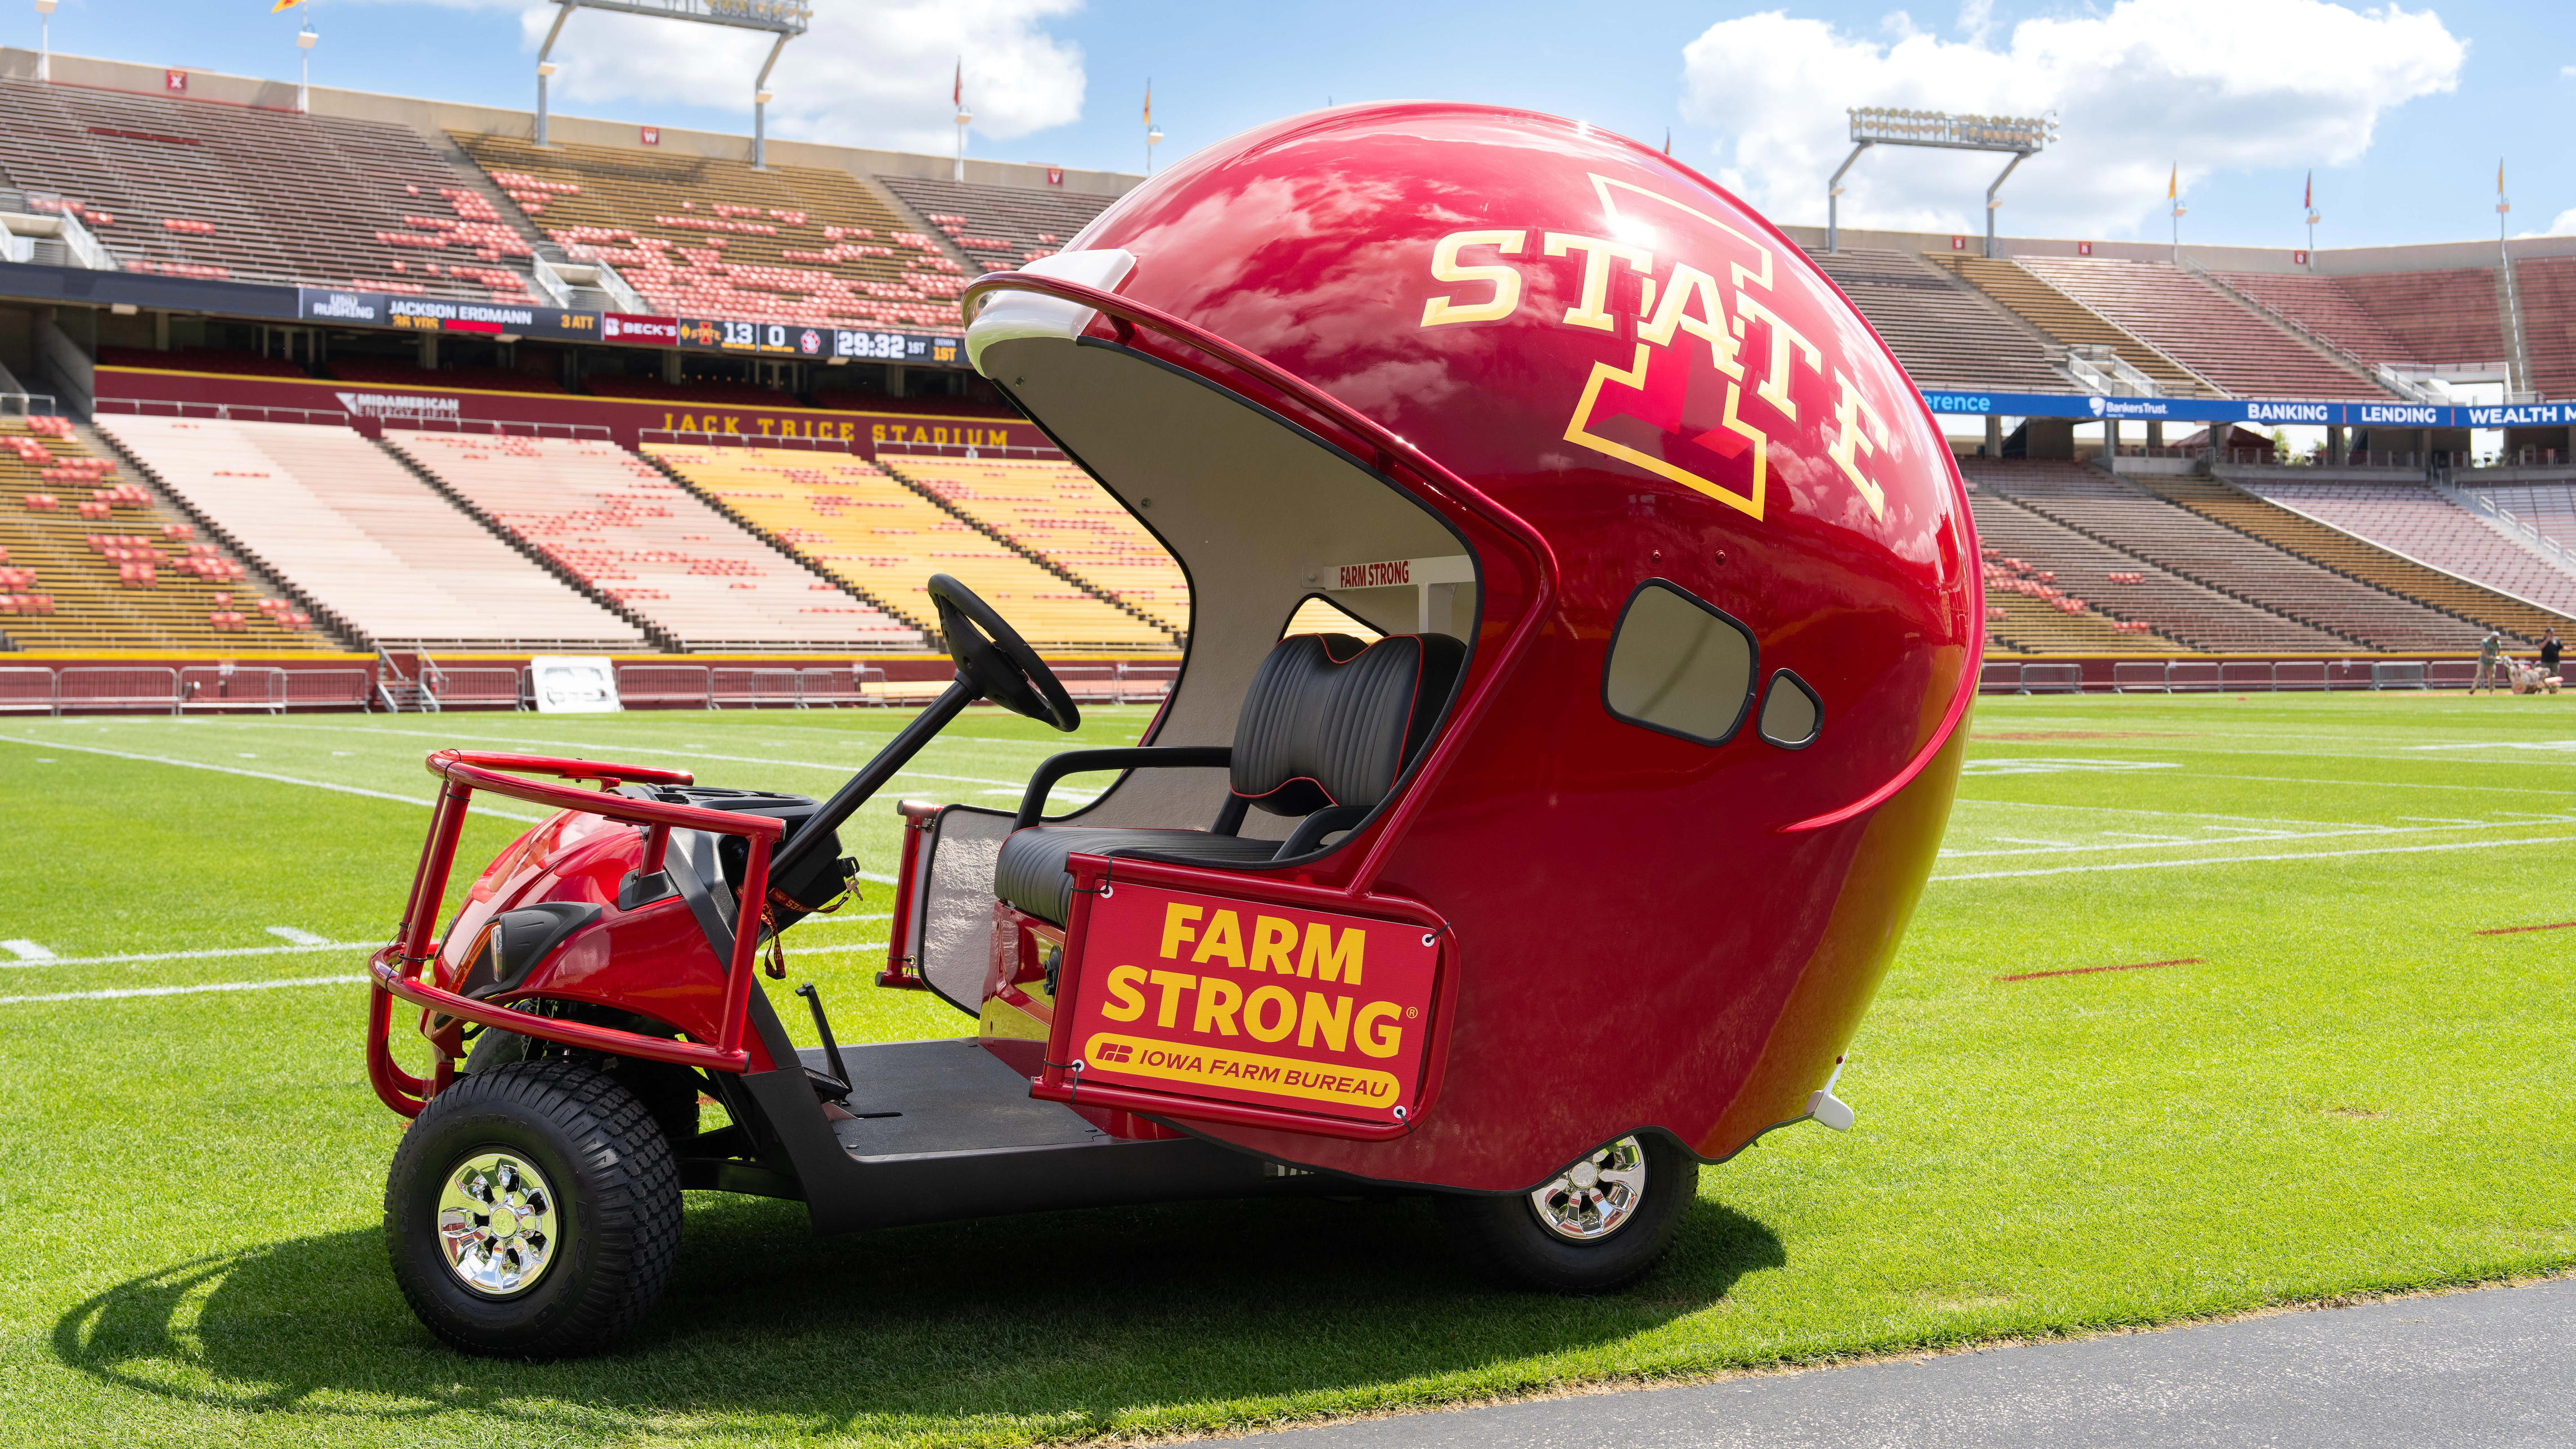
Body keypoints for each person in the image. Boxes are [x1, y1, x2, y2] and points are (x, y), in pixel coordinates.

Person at [2474, 628, 2504, 694]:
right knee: (2479, 675)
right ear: (2494, 637)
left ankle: (2492, 691)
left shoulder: (2498, 643)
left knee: (2492, 677)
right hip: (2483, 661)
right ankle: (2473, 689)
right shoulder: (2485, 641)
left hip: (2491, 662)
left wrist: (2498, 656)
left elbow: (2499, 650)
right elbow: (2483, 651)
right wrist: (2488, 657)